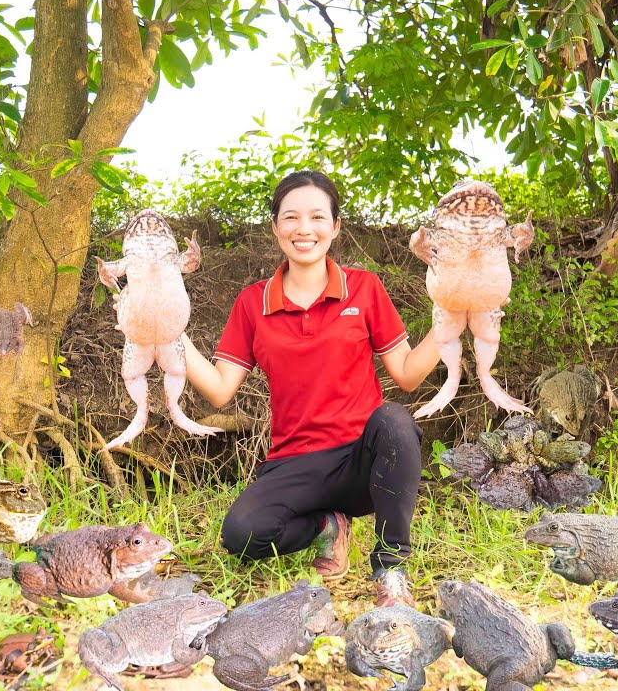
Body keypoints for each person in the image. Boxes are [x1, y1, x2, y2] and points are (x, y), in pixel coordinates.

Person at [182, 170, 441, 607]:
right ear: (275, 227)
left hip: (363, 458)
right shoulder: (253, 302)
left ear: (335, 227)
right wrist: (166, 333)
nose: (305, 229)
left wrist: (451, 319)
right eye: (292, 217)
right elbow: (220, 391)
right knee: (241, 537)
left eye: (318, 217)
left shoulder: (364, 287)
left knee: (396, 420)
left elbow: (408, 375)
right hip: (294, 462)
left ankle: (391, 568)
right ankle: (328, 526)